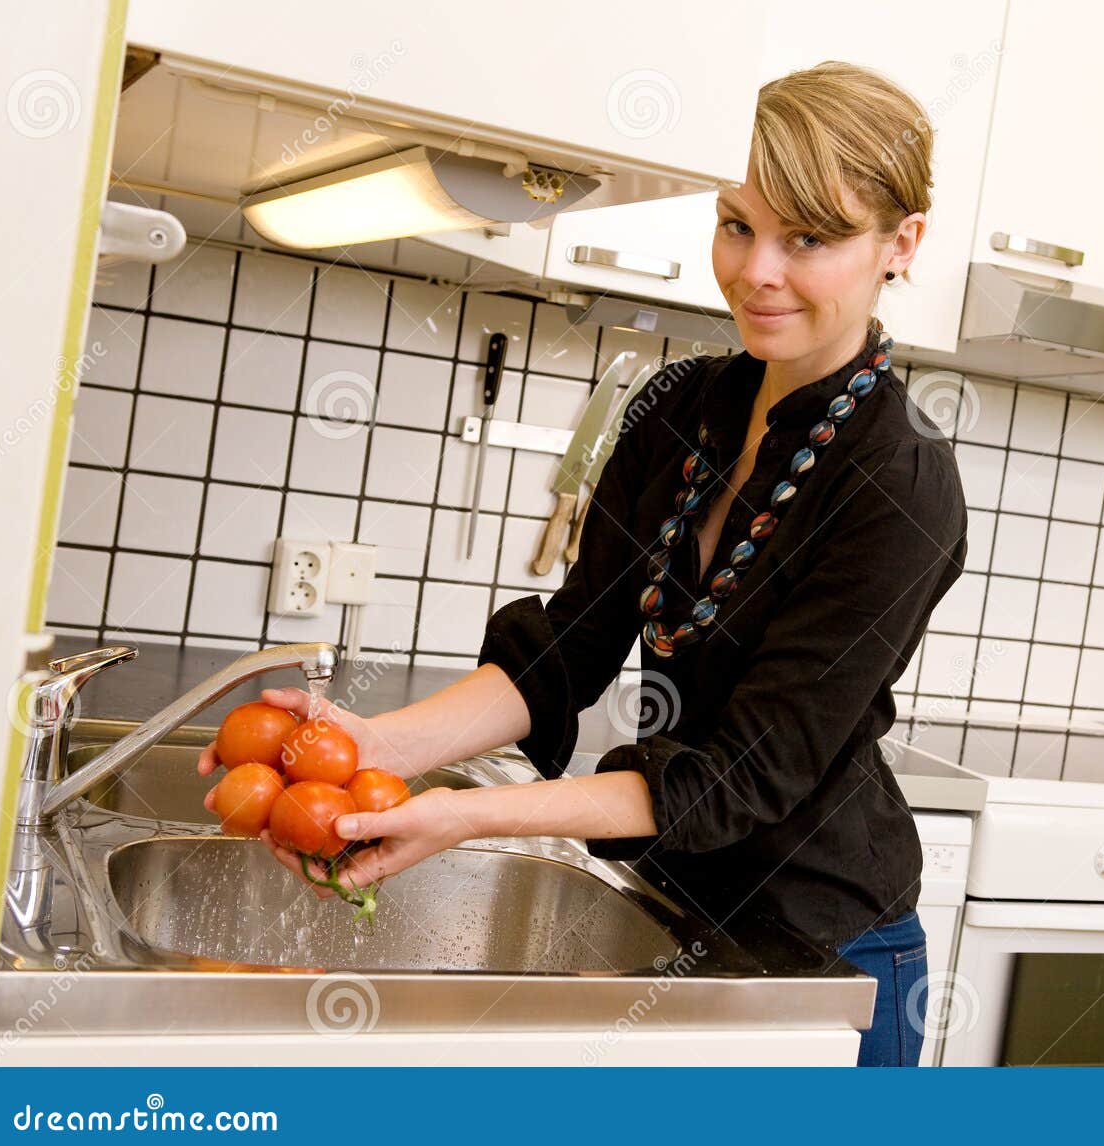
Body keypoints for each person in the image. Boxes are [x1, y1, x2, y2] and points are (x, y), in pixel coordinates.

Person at [199, 61, 967, 1067]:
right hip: (670, 904)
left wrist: (460, 814)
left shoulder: (900, 483)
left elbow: (735, 776)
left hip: (819, 950)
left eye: (808, 239)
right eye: (737, 225)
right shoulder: (678, 407)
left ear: (898, 245)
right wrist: (375, 744)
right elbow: (569, 646)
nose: (756, 271)